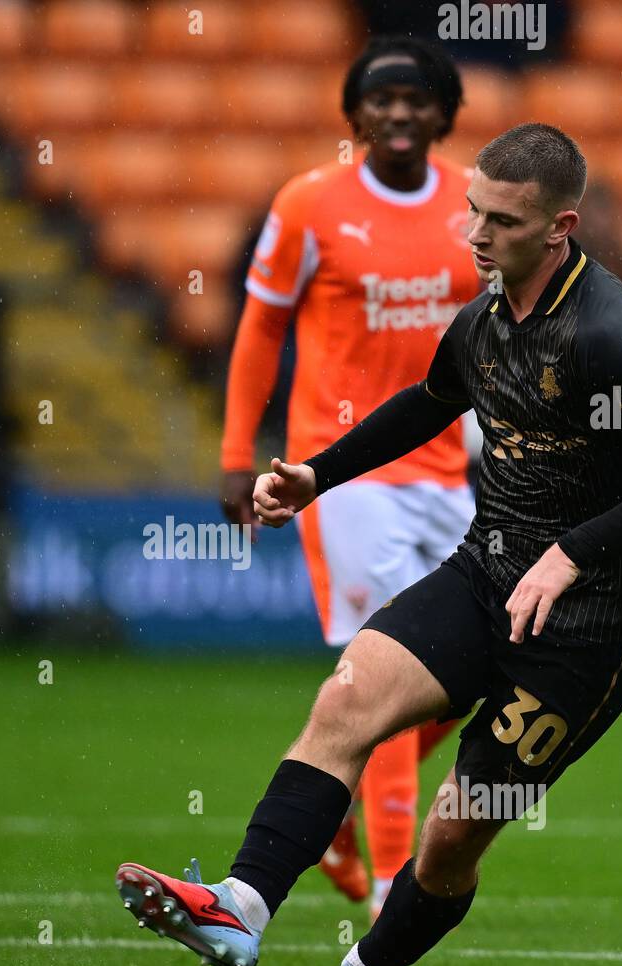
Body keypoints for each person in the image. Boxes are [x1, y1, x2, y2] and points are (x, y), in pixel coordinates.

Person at [116, 123, 622, 966]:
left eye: (502, 222)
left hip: (593, 628)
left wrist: (570, 554)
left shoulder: (612, 336)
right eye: (472, 212)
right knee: (346, 700)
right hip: (489, 573)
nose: (475, 236)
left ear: (560, 227)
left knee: (448, 839)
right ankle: (241, 909)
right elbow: (430, 403)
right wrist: (317, 474)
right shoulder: (484, 316)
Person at [220, 37, 480, 920]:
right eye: (382, 99)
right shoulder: (310, 205)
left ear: (443, 114)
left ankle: (336, 787)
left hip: (448, 467)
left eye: (417, 99)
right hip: (342, 473)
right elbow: (261, 327)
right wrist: (233, 456)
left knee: (485, 665)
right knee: (393, 663)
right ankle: (390, 888)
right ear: (354, 116)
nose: (399, 112)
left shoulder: (475, 204)